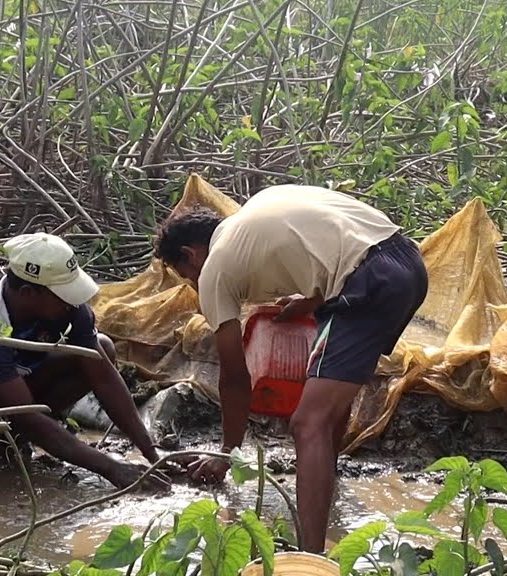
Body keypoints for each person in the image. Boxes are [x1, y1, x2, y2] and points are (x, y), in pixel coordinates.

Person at [155, 185, 429, 552]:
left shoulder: (215, 269)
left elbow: (235, 378)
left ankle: (310, 558)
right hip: (407, 263)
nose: (192, 283)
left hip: (368, 280)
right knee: (330, 401)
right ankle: (324, 488)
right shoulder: (260, 209)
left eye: (185, 275)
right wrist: (311, 301)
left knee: (307, 422)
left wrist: (226, 453)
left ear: (191, 255)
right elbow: (333, 243)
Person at [0, 232, 168, 490]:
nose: (74, 302)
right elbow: (25, 414)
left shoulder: (69, 307)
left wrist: (152, 453)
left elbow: (104, 378)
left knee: (100, 349)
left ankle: (10, 436)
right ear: (27, 293)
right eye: (63, 294)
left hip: (17, 376)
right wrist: (111, 467)